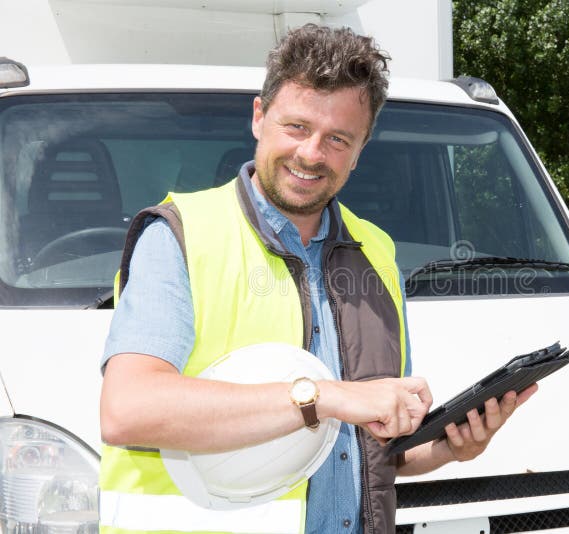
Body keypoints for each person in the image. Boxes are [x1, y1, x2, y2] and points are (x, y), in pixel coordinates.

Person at [99, 23, 537, 533]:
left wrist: (447, 448)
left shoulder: (376, 251)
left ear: (360, 149)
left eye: (337, 139)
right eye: (297, 127)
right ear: (260, 117)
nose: (311, 154)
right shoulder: (178, 236)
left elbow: (372, 452)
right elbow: (128, 410)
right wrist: (324, 396)